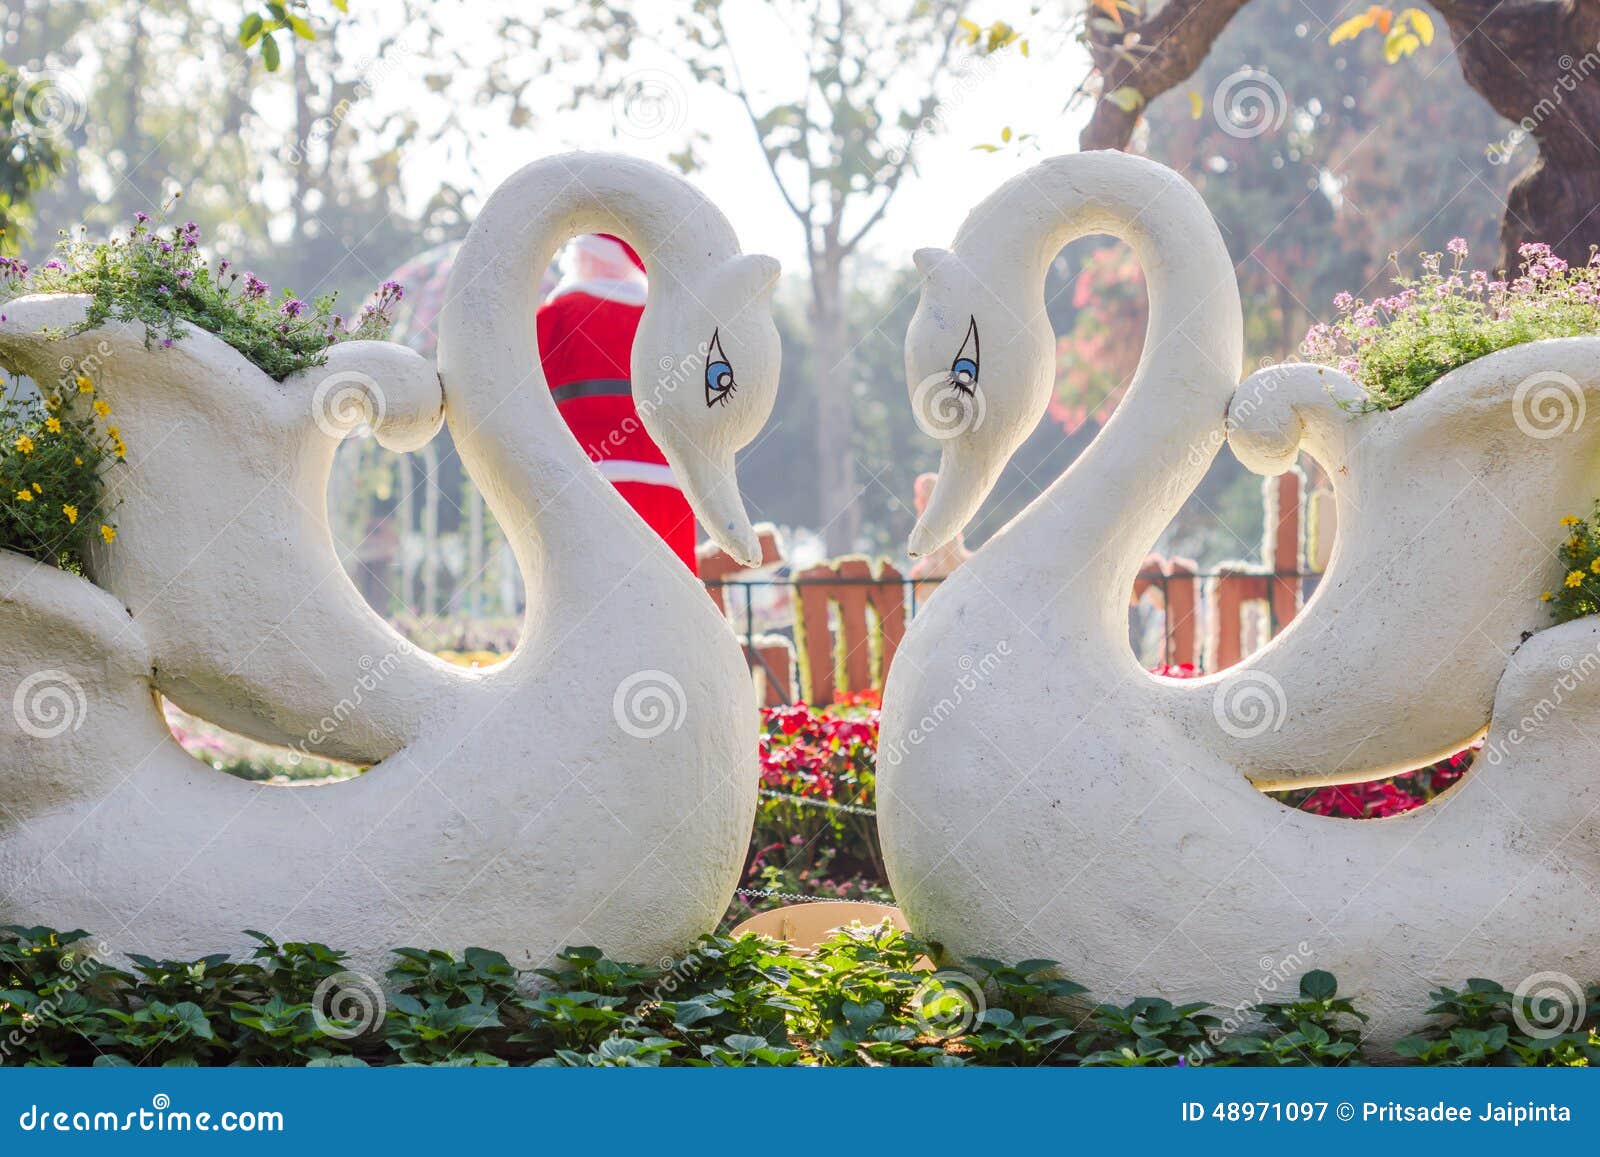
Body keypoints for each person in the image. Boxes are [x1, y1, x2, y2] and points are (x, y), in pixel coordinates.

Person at [535, 233, 696, 570]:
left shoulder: (558, 312)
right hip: (666, 476)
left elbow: (526, 389)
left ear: (581, 257)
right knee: (672, 597)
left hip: (585, 472)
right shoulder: (662, 317)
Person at [908, 472, 970, 604]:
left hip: (944, 573)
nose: (918, 500)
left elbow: (948, 559)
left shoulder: (939, 519)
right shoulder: (932, 519)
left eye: (922, 495)